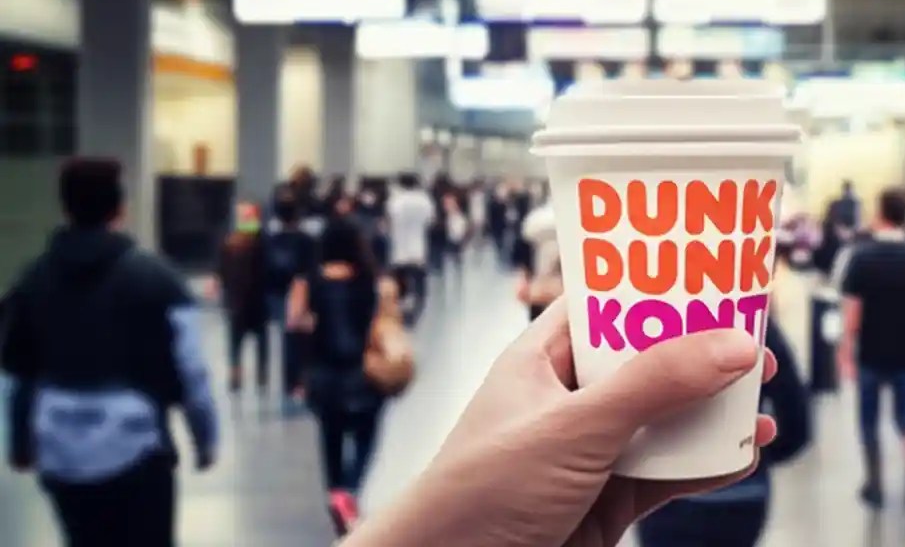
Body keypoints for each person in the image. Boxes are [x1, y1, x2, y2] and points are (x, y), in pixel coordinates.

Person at [343, 299, 778, 547]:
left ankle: (343, 486)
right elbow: (791, 422)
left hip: (673, 507)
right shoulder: (757, 330)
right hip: (735, 500)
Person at [0, 158, 218, 547]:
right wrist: (204, 437)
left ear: (66, 208)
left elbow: (17, 373)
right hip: (139, 450)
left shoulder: (31, 281)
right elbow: (191, 370)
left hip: (61, 449)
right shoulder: (158, 280)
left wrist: (19, 443)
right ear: (120, 208)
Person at [637, 321, 811, 547]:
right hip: (743, 495)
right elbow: (797, 423)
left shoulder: (654, 323)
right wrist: (757, 456)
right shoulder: (757, 323)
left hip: (667, 497)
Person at [839, 188, 905, 520]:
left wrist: (845, 353)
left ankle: (875, 485)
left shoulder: (862, 258)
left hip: (870, 353)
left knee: (868, 421)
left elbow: (853, 313)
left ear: (881, 214)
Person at [288, 219, 391, 535]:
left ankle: (334, 492)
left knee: (330, 436)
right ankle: (350, 487)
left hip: (324, 373)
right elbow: (382, 319)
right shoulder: (369, 280)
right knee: (367, 433)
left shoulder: (310, 280)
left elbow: (294, 321)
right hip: (361, 371)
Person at [264, 191, 317, 408]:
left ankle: (289, 382)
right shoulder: (307, 240)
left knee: (286, 337)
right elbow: (313, 268)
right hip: (300, 293)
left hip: (277, 294)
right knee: (301, 340)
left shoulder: (271, 240)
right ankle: (301, 381)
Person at [214, 201, 271, 394]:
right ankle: (261, 374)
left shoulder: (230, 244)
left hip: (237, 301)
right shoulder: (261, 244)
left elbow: (221, 271)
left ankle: (236, 374)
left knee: (235, 340)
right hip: (256, 300)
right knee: (260, 340)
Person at [386, 173, 434, 323]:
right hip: (419, 250)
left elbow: (389, 221)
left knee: (400, 286)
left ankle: (402, 312)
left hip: (399, 251)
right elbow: (430, 221)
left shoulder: (395, 200)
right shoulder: (424, 200)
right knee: (419, 285)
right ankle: (416, 313)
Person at [515, 197, 560, 322]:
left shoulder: (534, 221)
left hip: (542, 291)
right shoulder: (539, 222)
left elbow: (522, 257)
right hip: (551, 293)